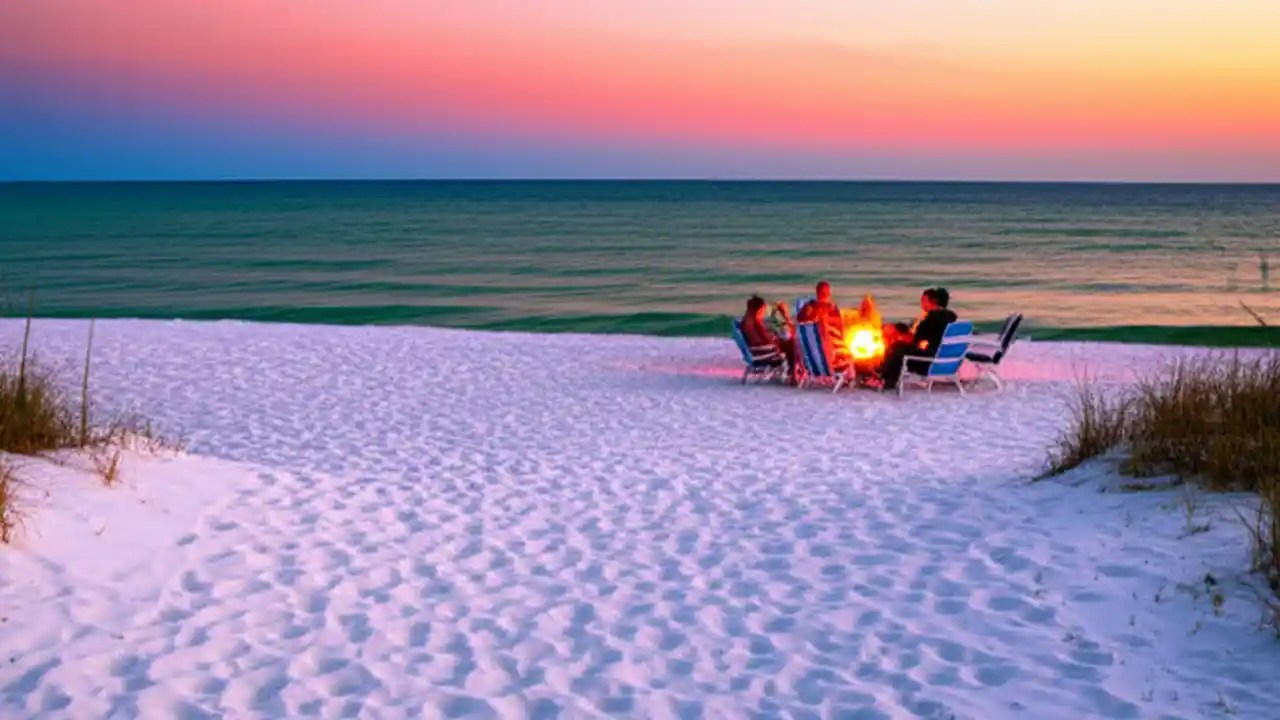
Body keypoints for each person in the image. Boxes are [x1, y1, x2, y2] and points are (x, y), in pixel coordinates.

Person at [877, 287, 958, 390]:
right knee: (899, 347)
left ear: (934, 301)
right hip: (945, 361)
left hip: (928, 362)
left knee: (897, 348)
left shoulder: (932, 318)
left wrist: (900, 335)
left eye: (925, 300)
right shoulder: (950, 318)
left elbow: (916, 338)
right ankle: (884, 376)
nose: (922, 304)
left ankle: (887, 381)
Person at [740, 294, 798, 383]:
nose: (764, 311)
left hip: (756, 355)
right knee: (792, 343)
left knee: (788, 340)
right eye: (763, 308)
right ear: (759, 309)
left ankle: (792, 372)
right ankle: (792, 373)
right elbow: (769, 340)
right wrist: (785, 320)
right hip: (768, 356)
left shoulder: (744, 324)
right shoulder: (757, 324)